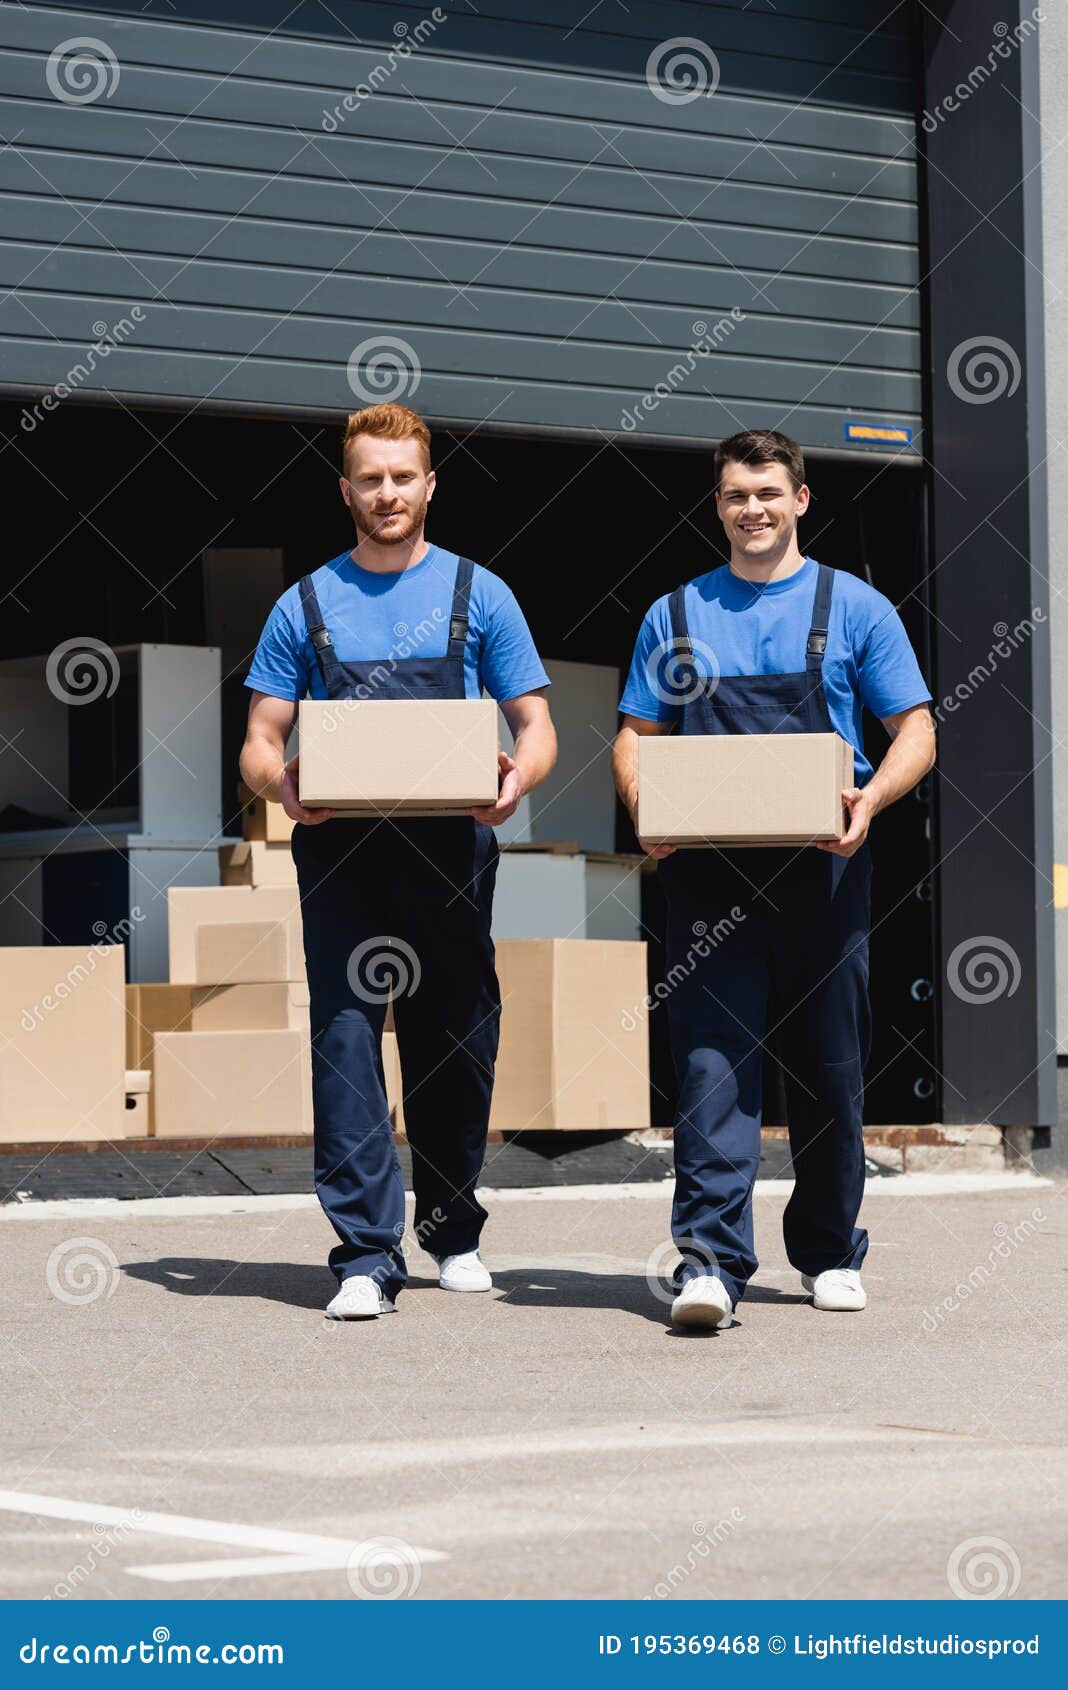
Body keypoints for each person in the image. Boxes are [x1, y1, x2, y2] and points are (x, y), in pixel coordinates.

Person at [612, 428, 935, 1330]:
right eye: (733, 495)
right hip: (708, 878)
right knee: (712, 1068)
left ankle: (829, 1250)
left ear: (800, 500)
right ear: (717, 506)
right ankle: (710, 1263)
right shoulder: (675, 616)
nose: (750, 509)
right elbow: (636, 736)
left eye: (766, 493)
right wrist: (647, 804)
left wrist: (871, 798)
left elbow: (915, 729)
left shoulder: (856, 608)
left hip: (824, 870)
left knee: (829, 1068)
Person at [240, 403, 556, 1320]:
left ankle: (453, 1231)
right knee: (344, 1039)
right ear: (346, 490)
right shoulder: (304, 604)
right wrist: (284, 786)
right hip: (341, 849)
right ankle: (366, 1254)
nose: (387, 493)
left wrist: (515, 784)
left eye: (401, 477)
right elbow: (259, 741)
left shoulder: (479, 594)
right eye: (369, 479)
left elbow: (535, 727)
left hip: (451, 845)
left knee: (453, 1033)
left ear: (429, 485)